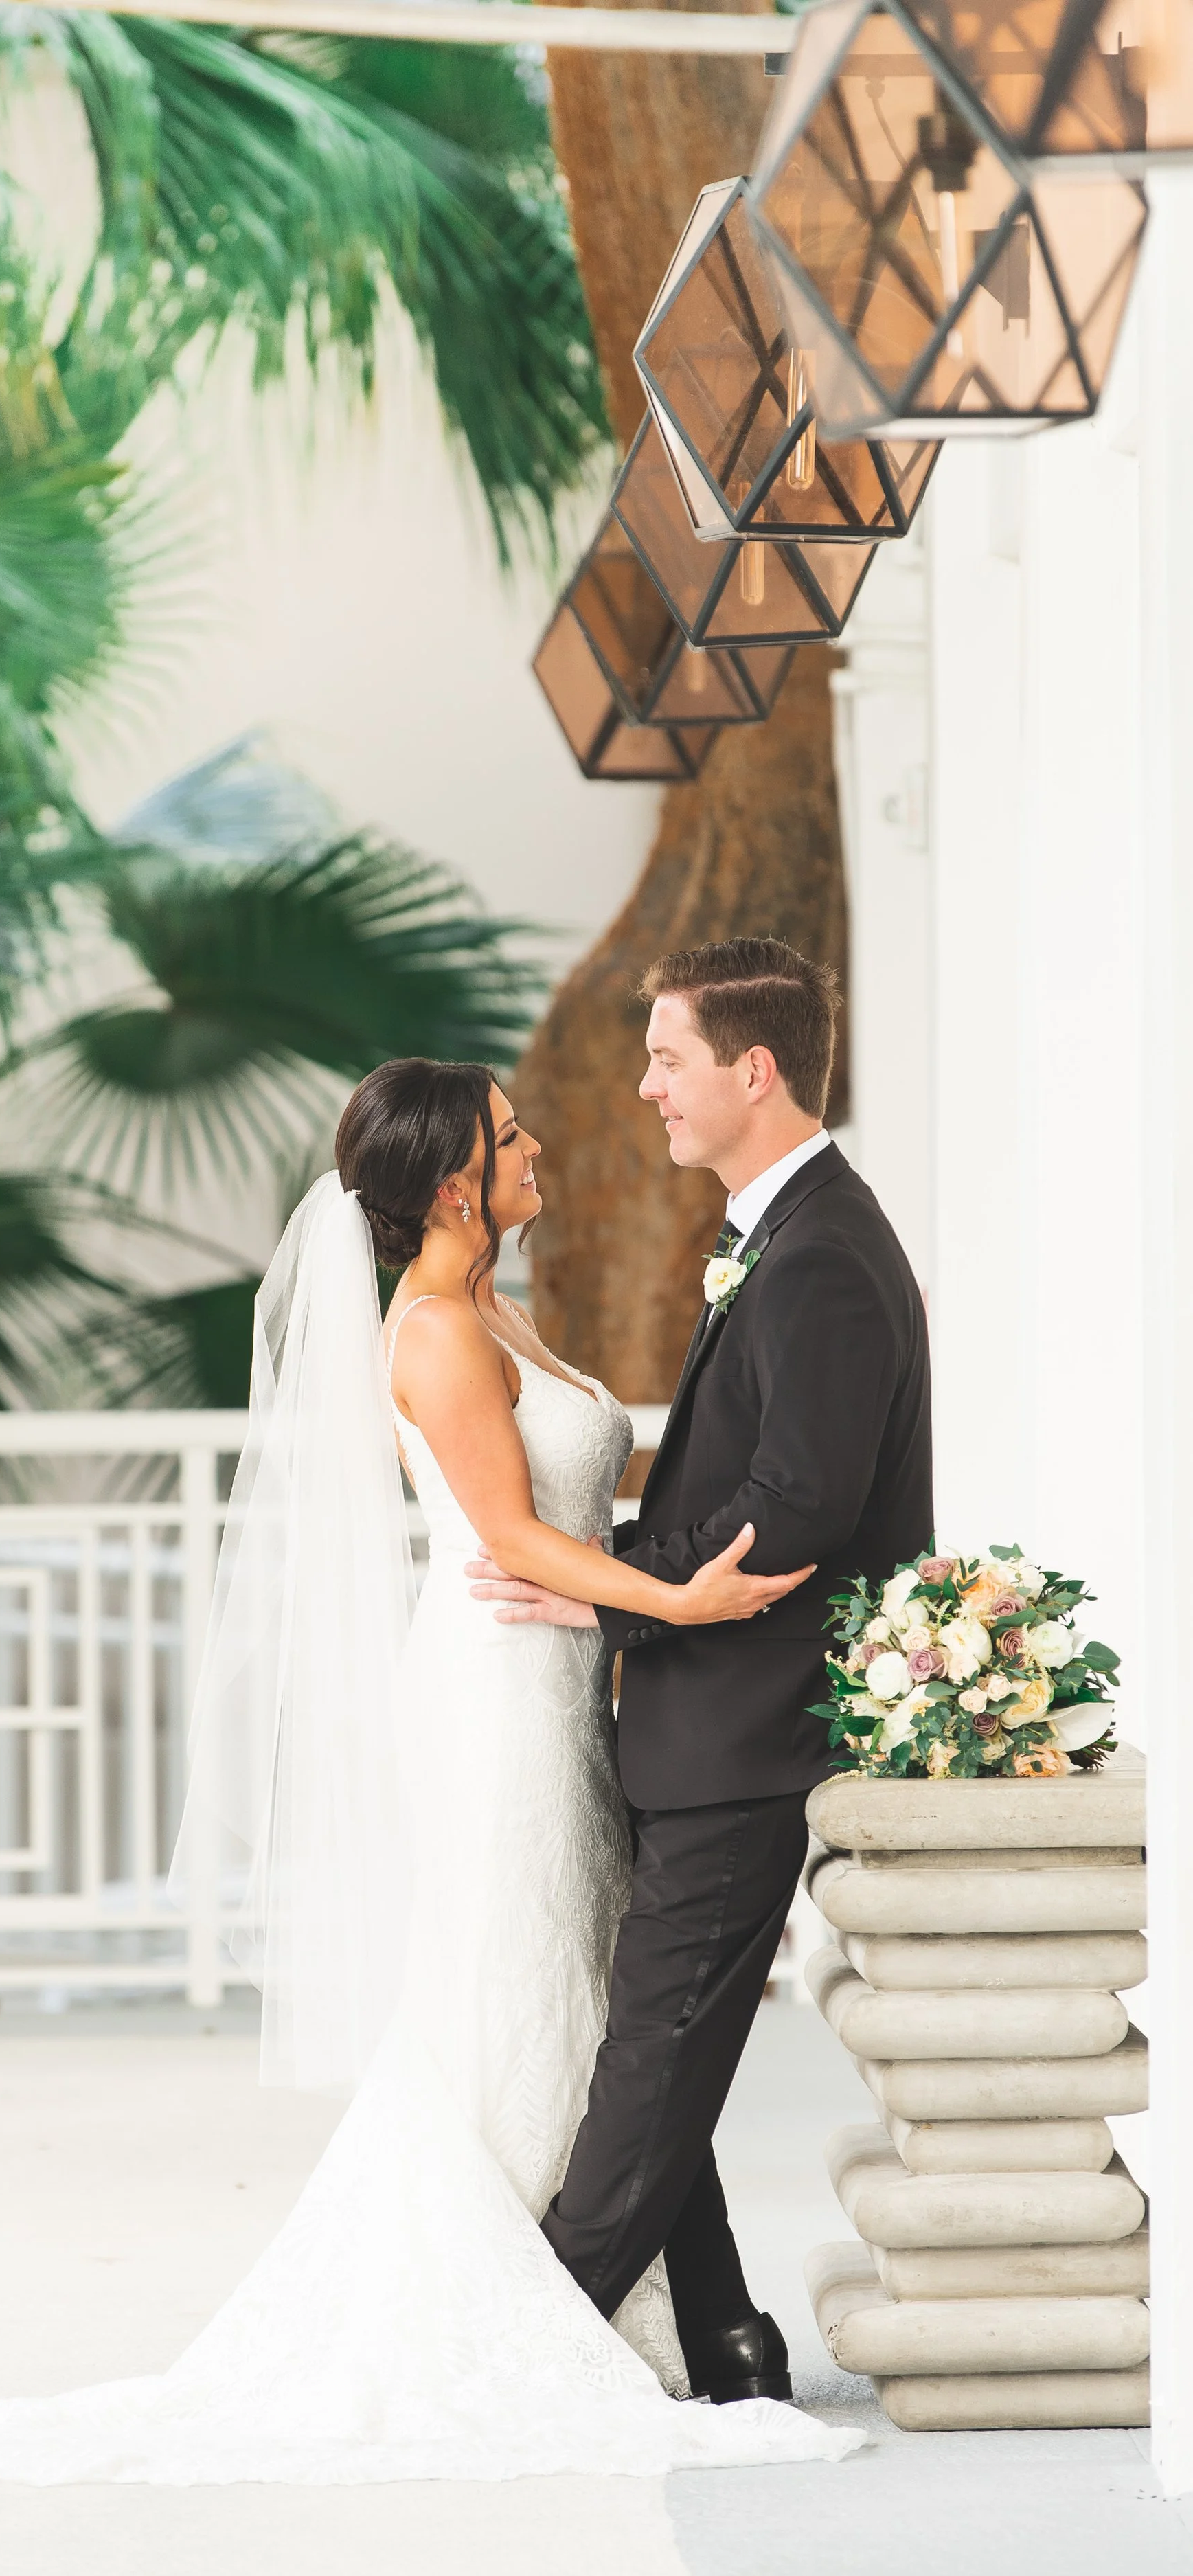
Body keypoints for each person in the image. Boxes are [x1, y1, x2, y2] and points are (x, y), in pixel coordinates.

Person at [0, 1045, 863, 2489]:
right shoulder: (431, 1329)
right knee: (516, 1979)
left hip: (557, 1690)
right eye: (510, 1138)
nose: (539, 1147)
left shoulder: (490, 1306)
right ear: (453, 1184)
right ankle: (525, 2315)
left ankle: (665, 2315)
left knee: (584, 1990)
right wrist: (675, 1602)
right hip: (494, 1694)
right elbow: (501, 1536)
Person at [470, 937, 933, 2406]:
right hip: (706, 1722)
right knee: (651, 2050)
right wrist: (609, 1577)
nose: (643, 1086)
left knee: (653, 2057)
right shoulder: (781, 1236)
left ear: (754, 1069)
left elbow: (793, 1507)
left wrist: (621, 1603)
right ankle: (724, 2339)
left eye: (666, 1057)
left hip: (749, 1728)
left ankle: (526, 2344)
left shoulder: (821, 1259)